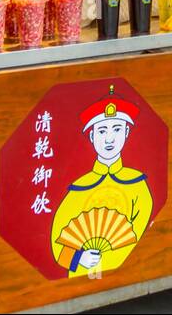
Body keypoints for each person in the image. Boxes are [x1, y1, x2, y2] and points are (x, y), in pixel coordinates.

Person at [49, 85, 153, 277]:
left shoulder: (137, 184)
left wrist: (108, 261)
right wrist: (79, 258)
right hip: (80, 276)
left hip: (123, 273)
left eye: (116, 129)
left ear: (126, 134)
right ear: (92, 136)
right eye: (102, 131)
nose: (109, 139)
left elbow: (139, 235)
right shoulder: (79, 187)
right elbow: (58, 237)